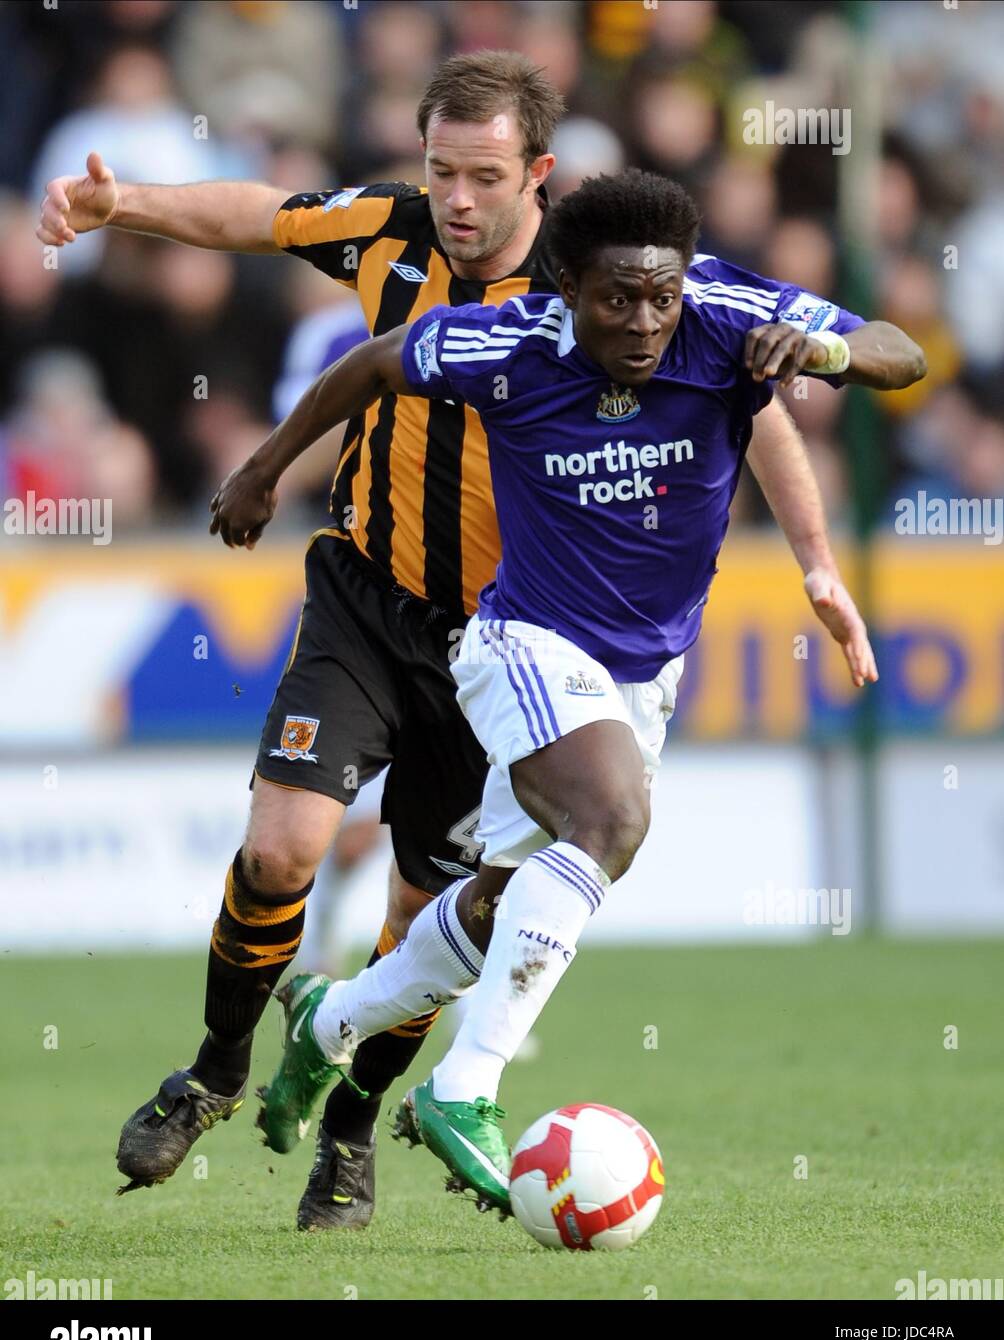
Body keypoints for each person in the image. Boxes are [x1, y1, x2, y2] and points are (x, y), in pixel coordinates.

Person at [37, 52, 875, 1230]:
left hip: (507, 637)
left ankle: (346, 1129)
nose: (457, 201)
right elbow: (263, 218)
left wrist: (814, 563)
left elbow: (758, 412)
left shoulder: (606, 283)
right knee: (281, 852)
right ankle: (217, 1067)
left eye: (483, 177)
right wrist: (124, 203)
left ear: (537, 173)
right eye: (441, 172)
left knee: (425, 911)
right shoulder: (392, 233)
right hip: (365, 595)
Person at [220, 169, 925, 1215]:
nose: (643, 321)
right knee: (609, 818)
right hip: (520, 644)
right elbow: (369, 364)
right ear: (563, 286)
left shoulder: (726, 315)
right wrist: (265, 468)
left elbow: (898, 353)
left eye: (660, 297)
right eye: (615, 299)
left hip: (640, 675)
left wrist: (821, 352)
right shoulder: (505, 345)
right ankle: (464, 1086)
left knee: (507, 899)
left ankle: (326, 1022)